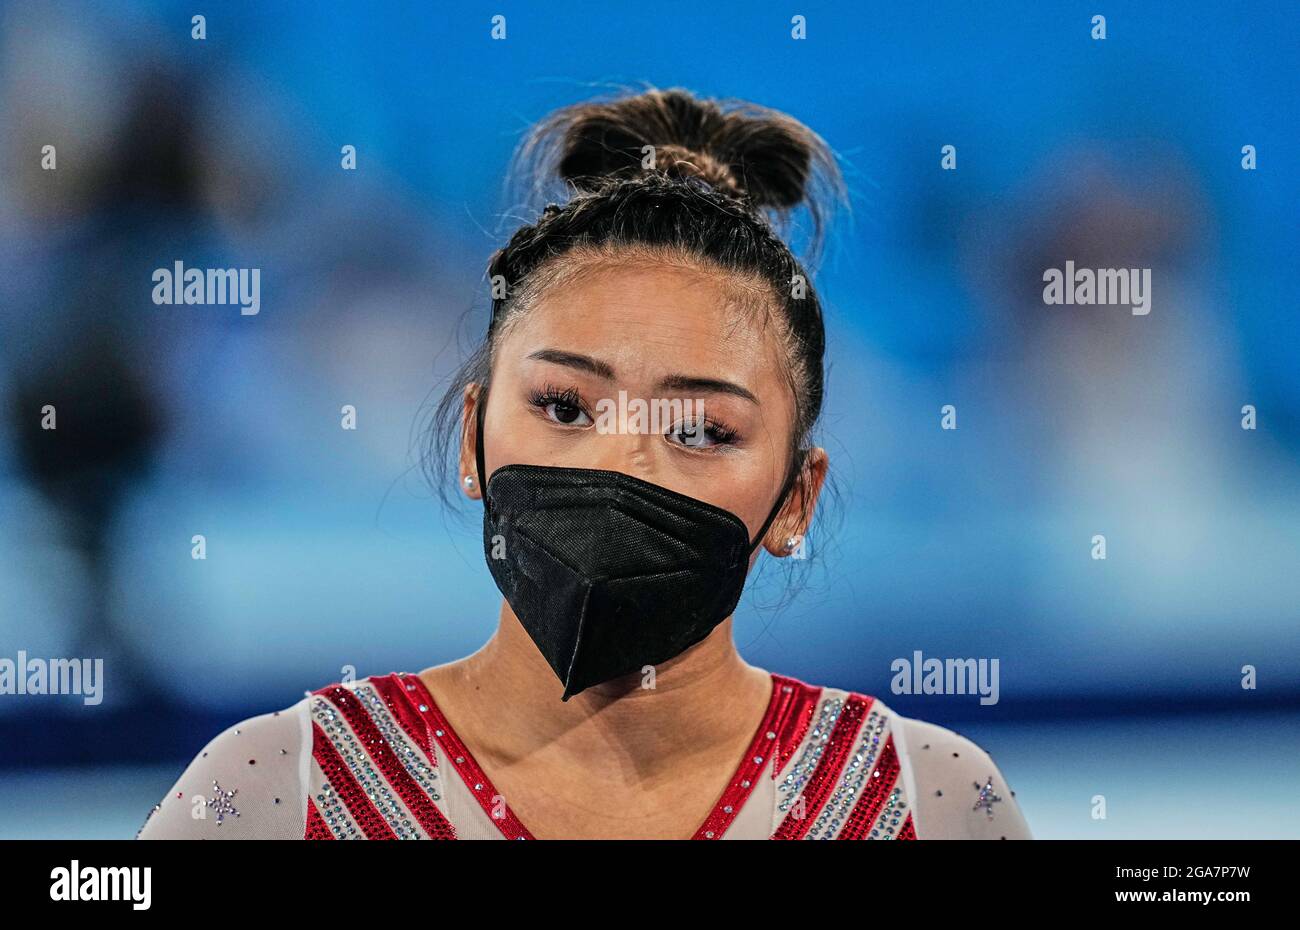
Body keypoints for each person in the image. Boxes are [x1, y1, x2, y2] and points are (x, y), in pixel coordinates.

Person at [137, 87, 1031, 840]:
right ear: (473, 436)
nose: (625, 460)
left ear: (796, 499)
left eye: (703, 429)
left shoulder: (923, 801)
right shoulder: (278, 794)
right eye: (565, 407)